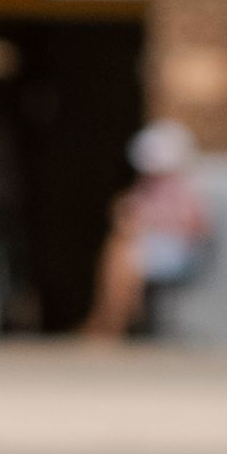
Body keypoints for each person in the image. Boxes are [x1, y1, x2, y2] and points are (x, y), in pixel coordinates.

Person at [85, 115, 213, 338]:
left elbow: (197, 228)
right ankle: (113, 318)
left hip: (177, 253)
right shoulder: (147, 186)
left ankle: (113, 322)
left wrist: (146, 223)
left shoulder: (185, 189)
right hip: (147, 247)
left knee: (122, 255)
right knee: (120, 251)